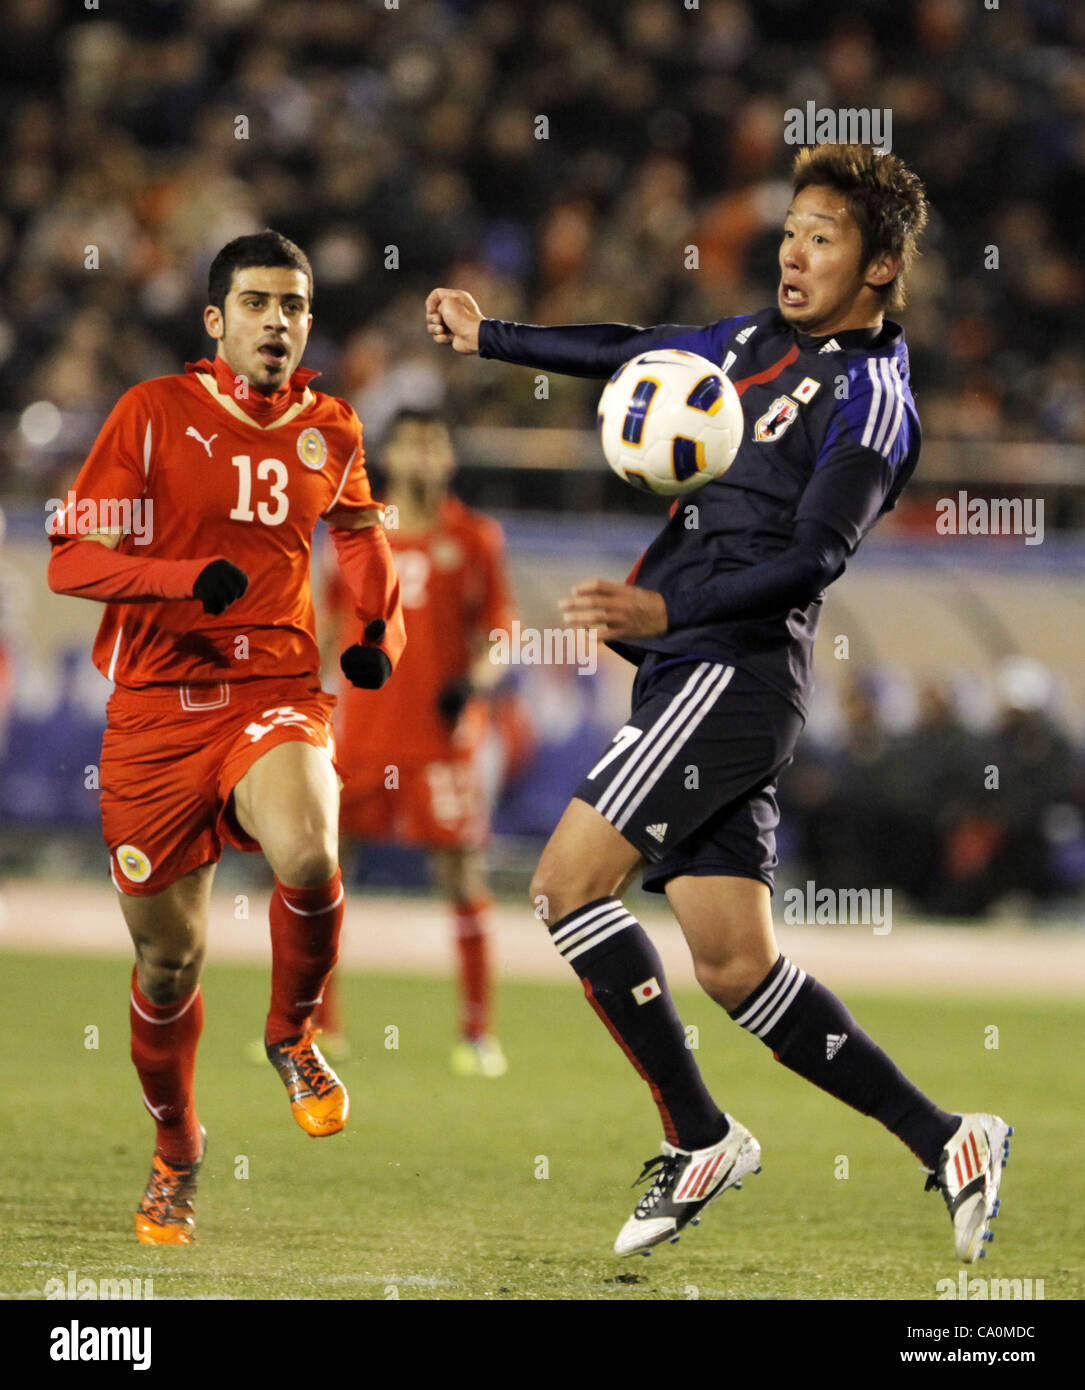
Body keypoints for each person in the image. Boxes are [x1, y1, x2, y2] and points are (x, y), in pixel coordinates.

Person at [425, 145, 1011, 1261]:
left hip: (727, 671)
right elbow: (623, 352)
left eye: (823, 235)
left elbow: (812, 558)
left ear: (881, 266)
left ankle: (698, 1134)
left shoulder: (871, 402)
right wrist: (488, 335)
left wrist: (665, 618)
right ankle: (948, 1139)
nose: (793, 249)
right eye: (791, 228)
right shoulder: (747, 342)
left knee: (562, 890)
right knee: (735, 965)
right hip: (693, 668)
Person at [47, 229, 405, 1245]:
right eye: (256, 304)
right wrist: (174, 581)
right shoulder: (153, 415)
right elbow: (70, 558)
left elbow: (364, 540)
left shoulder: (330, 427)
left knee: (309, 852)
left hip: (274, 688)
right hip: (157, 710)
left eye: (293, 306)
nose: (278, 323)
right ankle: (176, 1149)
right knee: (170, 964)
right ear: (216, 321)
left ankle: (290, 1034)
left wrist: (378, 630)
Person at [317, 410, 518, 1077]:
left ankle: (477, 1032)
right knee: (318, 869)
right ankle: (319, 1027)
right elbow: (326, 627)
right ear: (388, 456)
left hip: (441, 739)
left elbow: (497, 630)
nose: (425, 455)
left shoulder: (476, 537)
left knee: (461, 874)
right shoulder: (354, 532)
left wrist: (476, 684)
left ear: (450, 457)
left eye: (436, 442)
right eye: (412, 443)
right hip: (361, 732)